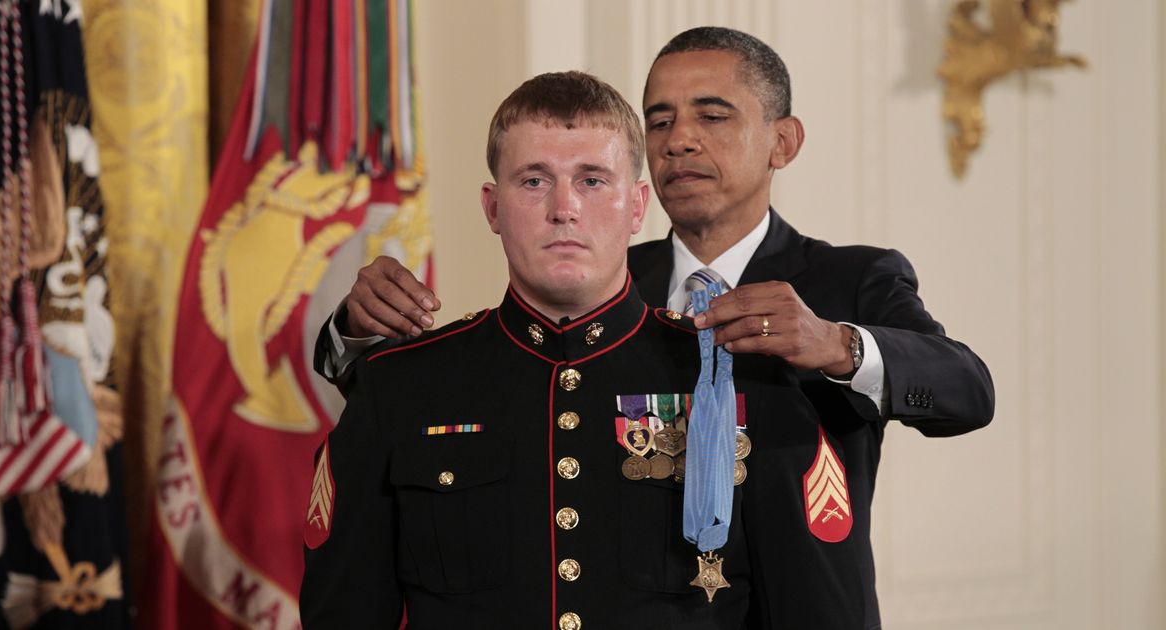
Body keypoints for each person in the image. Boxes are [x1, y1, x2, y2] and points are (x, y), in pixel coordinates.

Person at [312, 27, 995, 629]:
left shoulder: (846, 283)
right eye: (660, 121)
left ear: (782, 142)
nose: (680, 140)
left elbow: (965, 389)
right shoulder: (594, 269)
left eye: (713, 115)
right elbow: (448, 391)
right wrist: (357, 330)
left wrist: (836, 344)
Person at [300, 70, 825, 629]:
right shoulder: (399, 387)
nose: (564, 208)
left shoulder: (741, 375)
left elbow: (811, 611)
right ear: (493, 208)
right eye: (533, 181)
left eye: (593, 180)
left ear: (637, 206)